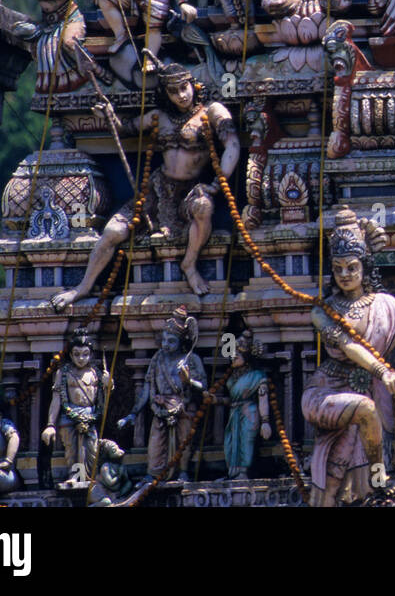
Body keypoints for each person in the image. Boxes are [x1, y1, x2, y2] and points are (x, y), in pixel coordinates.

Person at [49, 60, 241, 308]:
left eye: (184, 88)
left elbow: (233, 145)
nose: (181, 95)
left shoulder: (212, 112)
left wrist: (217, 184)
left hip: (190, 192)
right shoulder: (157, 117)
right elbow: (125, 129)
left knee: (203, 206)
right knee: (112, 232)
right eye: (174, 91)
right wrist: (108, 114)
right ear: (166, 94)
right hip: (157, 191)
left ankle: (189, 264)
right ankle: (82, 288)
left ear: (193, 85)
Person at [301, 208, 395, 506]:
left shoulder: (385, 304)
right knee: (364, 410)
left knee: (339, 465)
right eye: (338, 268)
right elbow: (348, 346)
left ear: (365, 268)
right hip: (327, 389)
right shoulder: (323, 310)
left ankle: (371, 488)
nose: (344, 275)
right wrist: (383, 372)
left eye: (352, 267)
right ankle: (380, 478)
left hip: (372, 391)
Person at [118, 306, 206, 481]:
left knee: (184, 443)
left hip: (184, 408)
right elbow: (147, 388)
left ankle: (183, 472)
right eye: (164, 340)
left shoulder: (191, 360)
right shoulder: (158, 358)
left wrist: (189, 381)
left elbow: (203, 387)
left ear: (182, 342)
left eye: (171, 341)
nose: (165, 344)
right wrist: (133, 414)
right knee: (156, 444)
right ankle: (153, 473)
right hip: (160, 408)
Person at [42, 329, 112, 484]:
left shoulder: (96, 373)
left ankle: (91, 477)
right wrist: (50, 424)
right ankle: (75, 477)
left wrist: (108, 385)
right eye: (77, 354)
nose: (81, 358)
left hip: (90, 416)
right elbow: (56, 399)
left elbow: (103, 400)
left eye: (85, 354)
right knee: (72, 451)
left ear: (91, 355)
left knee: (92, 451)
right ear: (71, 355)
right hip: (69, 416)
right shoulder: (64, 372)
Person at [205, 329, 272, 480]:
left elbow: (263, 398)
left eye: (237, 354)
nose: (233, 356)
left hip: (250, 412)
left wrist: (265, 422)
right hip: (234, 413)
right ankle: (233, 473)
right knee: (230, 443)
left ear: (247, 357)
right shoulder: (231, 378)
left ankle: (243, 473)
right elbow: (232, 400)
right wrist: (216, 401)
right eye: (232, 353)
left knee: (246, 442)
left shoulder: (257, 376)